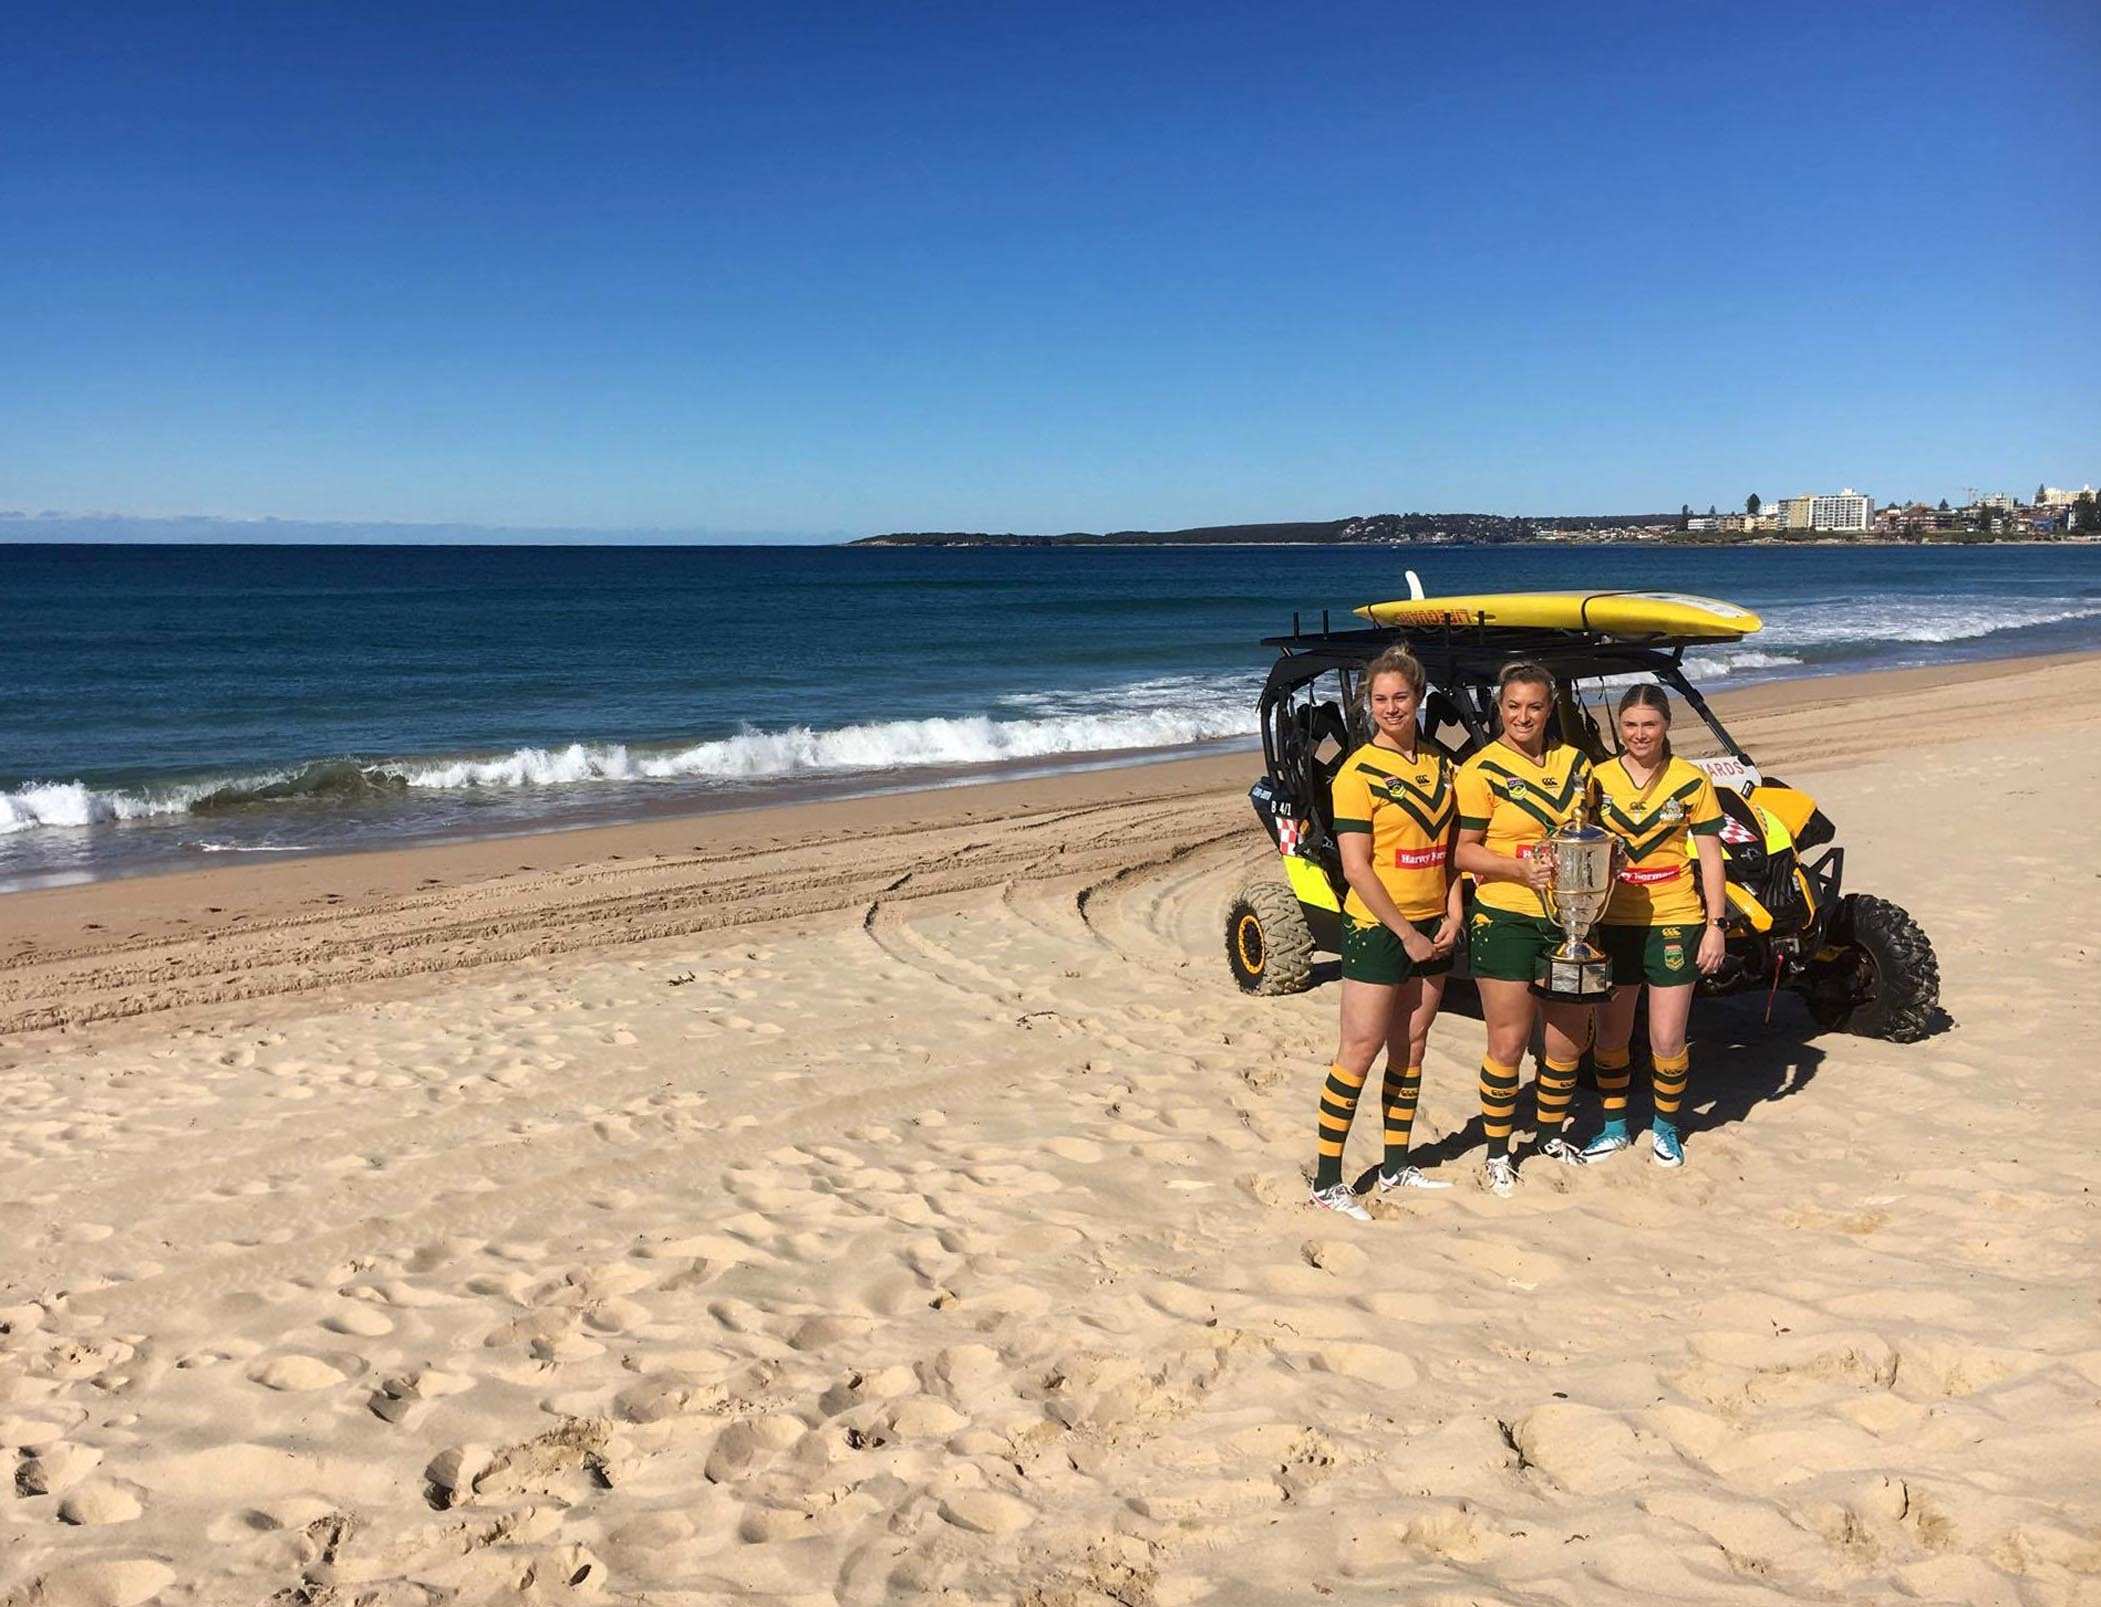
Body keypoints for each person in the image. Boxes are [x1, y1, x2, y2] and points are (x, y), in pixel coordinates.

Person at [1307, 646, 1465, 1219]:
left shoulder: (1443, 767)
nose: (1391, 708)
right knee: (1359, 1049)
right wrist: (1406, 935)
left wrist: (1451, 914)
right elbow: (1356, 868)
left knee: (1412, 1045)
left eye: (1401, 697)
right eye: (1380, 699)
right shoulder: (1356, 774)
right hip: (1380, 929)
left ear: (1419, 698)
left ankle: (1395, 1165)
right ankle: (1327, 1180)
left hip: (1433, 926)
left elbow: (1448, 852)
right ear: (1367, 704)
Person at [1454, 662, 1596, 1197]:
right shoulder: (1480, 771)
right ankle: (1497, 1152)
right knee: (1508, 1044)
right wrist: (1517, 869)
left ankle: (1550, 1136)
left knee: (1565, 1044)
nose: (1523, 716)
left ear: (1550, 707)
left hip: (1570, 920)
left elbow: (1592, 833)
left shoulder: (1577, 765)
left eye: (1534, 706)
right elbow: (1463, 852)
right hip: (1505, 916)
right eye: (1513, 706)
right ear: (1499, 708)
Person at [1580, 684, 1728, 1167]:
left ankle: (1666, 1129)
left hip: (1675, 917)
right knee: (1610, 1036)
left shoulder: (1691, 781)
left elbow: (1710, 859)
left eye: (1649, 725)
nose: (1639, 735)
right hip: (1614, 921)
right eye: (1630, 725)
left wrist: (1715, 924)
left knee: (1666, 1038)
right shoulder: (1597, 779)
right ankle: (1615, 1128)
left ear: (1666, 726)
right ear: (1618, 728)